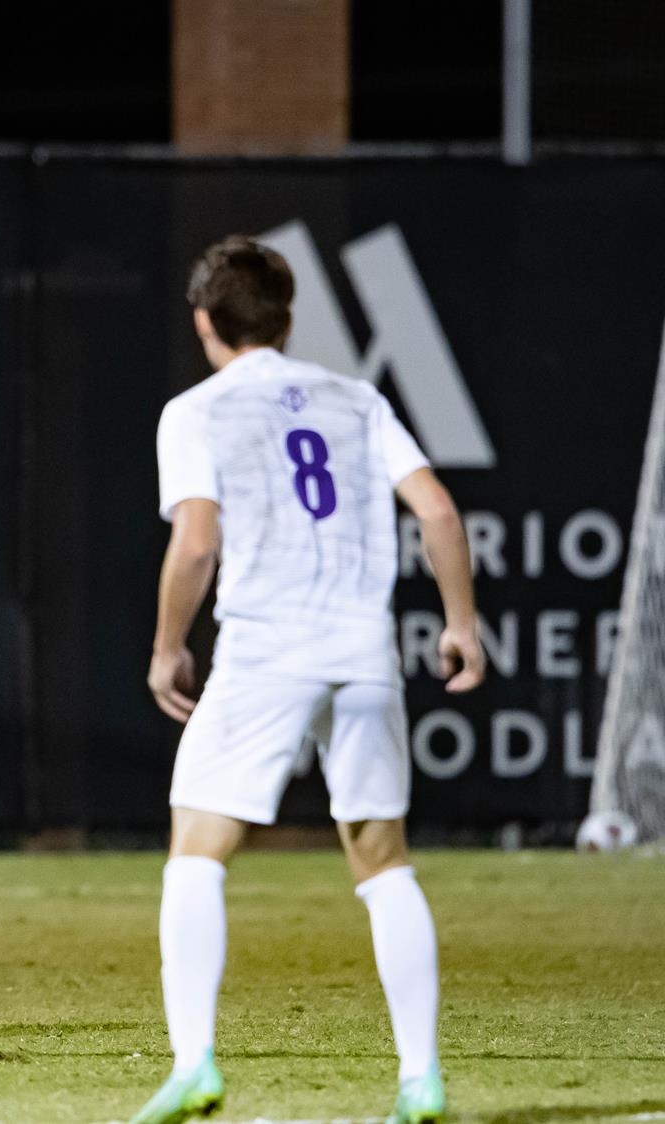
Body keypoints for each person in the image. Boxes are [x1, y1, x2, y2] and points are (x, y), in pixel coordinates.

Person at [130, 236, 485, 1124]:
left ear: (205, 321)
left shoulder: (196, 410)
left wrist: (169, 644)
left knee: (196, 854)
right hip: (362, 652)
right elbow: (437, 509)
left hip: (265, 652)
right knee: (382, 861)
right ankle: (420, 1077)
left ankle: (195, 1065)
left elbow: (199, 539)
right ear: (288, 320)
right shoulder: (358, 398)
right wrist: (461, 627)